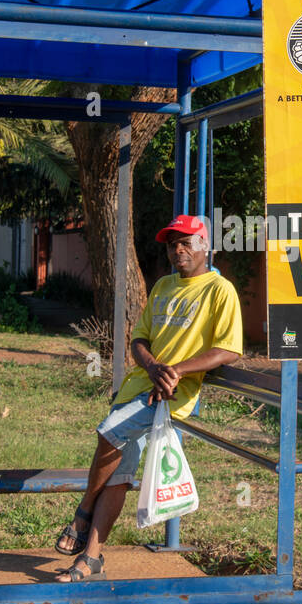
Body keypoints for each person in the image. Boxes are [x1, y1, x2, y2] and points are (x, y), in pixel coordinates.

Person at [53, 214, 243, 582]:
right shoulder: (163, 287)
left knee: (108, 433)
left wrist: (176, 372)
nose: (179, 249)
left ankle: (83, 510)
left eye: (187, 241)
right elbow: (139, 340)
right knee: (119, 475)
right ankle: (90, 559)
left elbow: (228, 350)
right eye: (173, 243)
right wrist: (154, 366)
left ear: (207, 245)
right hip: (139, 386)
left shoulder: (220, 291)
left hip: (170, 395)